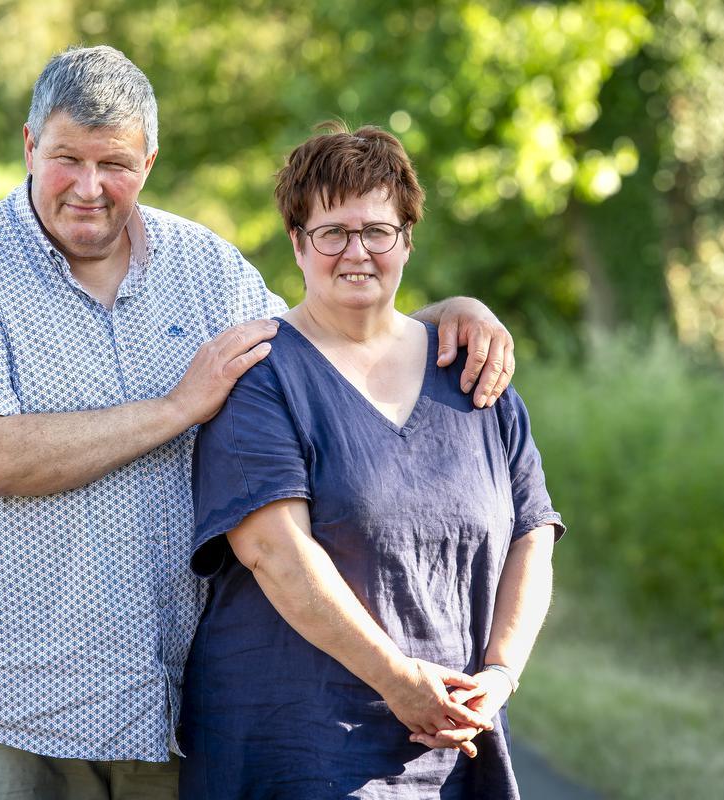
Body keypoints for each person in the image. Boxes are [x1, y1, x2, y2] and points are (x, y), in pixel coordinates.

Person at [0, 46, 518, 800]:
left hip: (172, 710)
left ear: (149, 161)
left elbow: (323, 345)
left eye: (115, 164)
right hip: (21, 706)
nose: (90, 188)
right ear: (30, 146)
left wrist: (442, 318)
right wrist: (175, 409)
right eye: (67, 159)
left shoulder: (208, 270)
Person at [180, 123, 564, 799]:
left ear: (407, 241)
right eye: (332, 232)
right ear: (298, 245)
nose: (356, 251)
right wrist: (394, 678)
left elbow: (531, 536)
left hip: (449, 747)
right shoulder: (262, 379)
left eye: (377, 231)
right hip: (298, 750)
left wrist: (500, 676)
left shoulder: (475, 376)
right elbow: (276, 552)